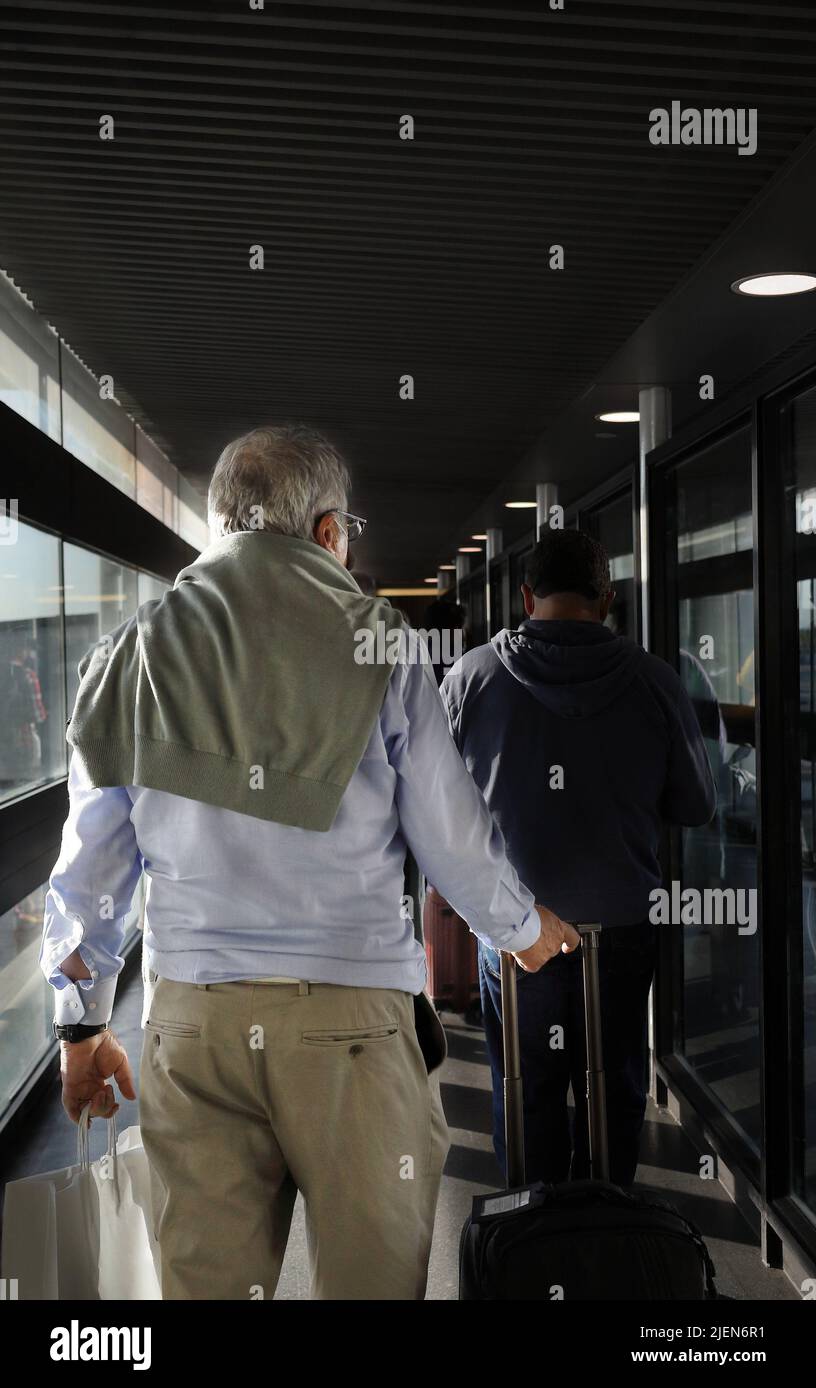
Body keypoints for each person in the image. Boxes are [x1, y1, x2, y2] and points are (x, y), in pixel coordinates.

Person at [39, 424, 577, 1301]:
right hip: (354, 1029)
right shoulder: (384, 649)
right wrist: (521, 930)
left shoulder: (129, 654)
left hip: (193, 1026)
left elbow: (90, 875)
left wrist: (79, 1026)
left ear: (221, 527)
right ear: (331, 534)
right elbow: (452, 835)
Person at [441, 527, 716, 1187]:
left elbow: (434, 811)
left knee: (526, 1090)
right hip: (620, 924)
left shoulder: (472, 677)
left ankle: (531, 1246)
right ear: (609, 599)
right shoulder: (655, 680)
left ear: (527, 594)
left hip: (516, 928)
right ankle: (609, 1235)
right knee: (615, 1091)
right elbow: (697, 804)